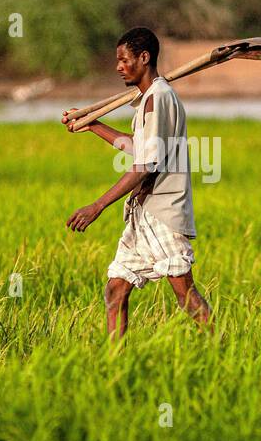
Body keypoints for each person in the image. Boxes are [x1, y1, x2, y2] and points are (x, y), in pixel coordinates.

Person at [62, 27, 212, 336]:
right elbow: (136, 147)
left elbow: (145, 165)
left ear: (144, 58)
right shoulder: (149, 99)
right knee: (116, 290)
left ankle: (220, 348)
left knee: (185, 294)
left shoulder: (158, 99)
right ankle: (115, 359)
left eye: (124, 59)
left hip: (161, 212)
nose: (118, 67)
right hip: (142, 214)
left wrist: (97, 206)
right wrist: (92, 124)